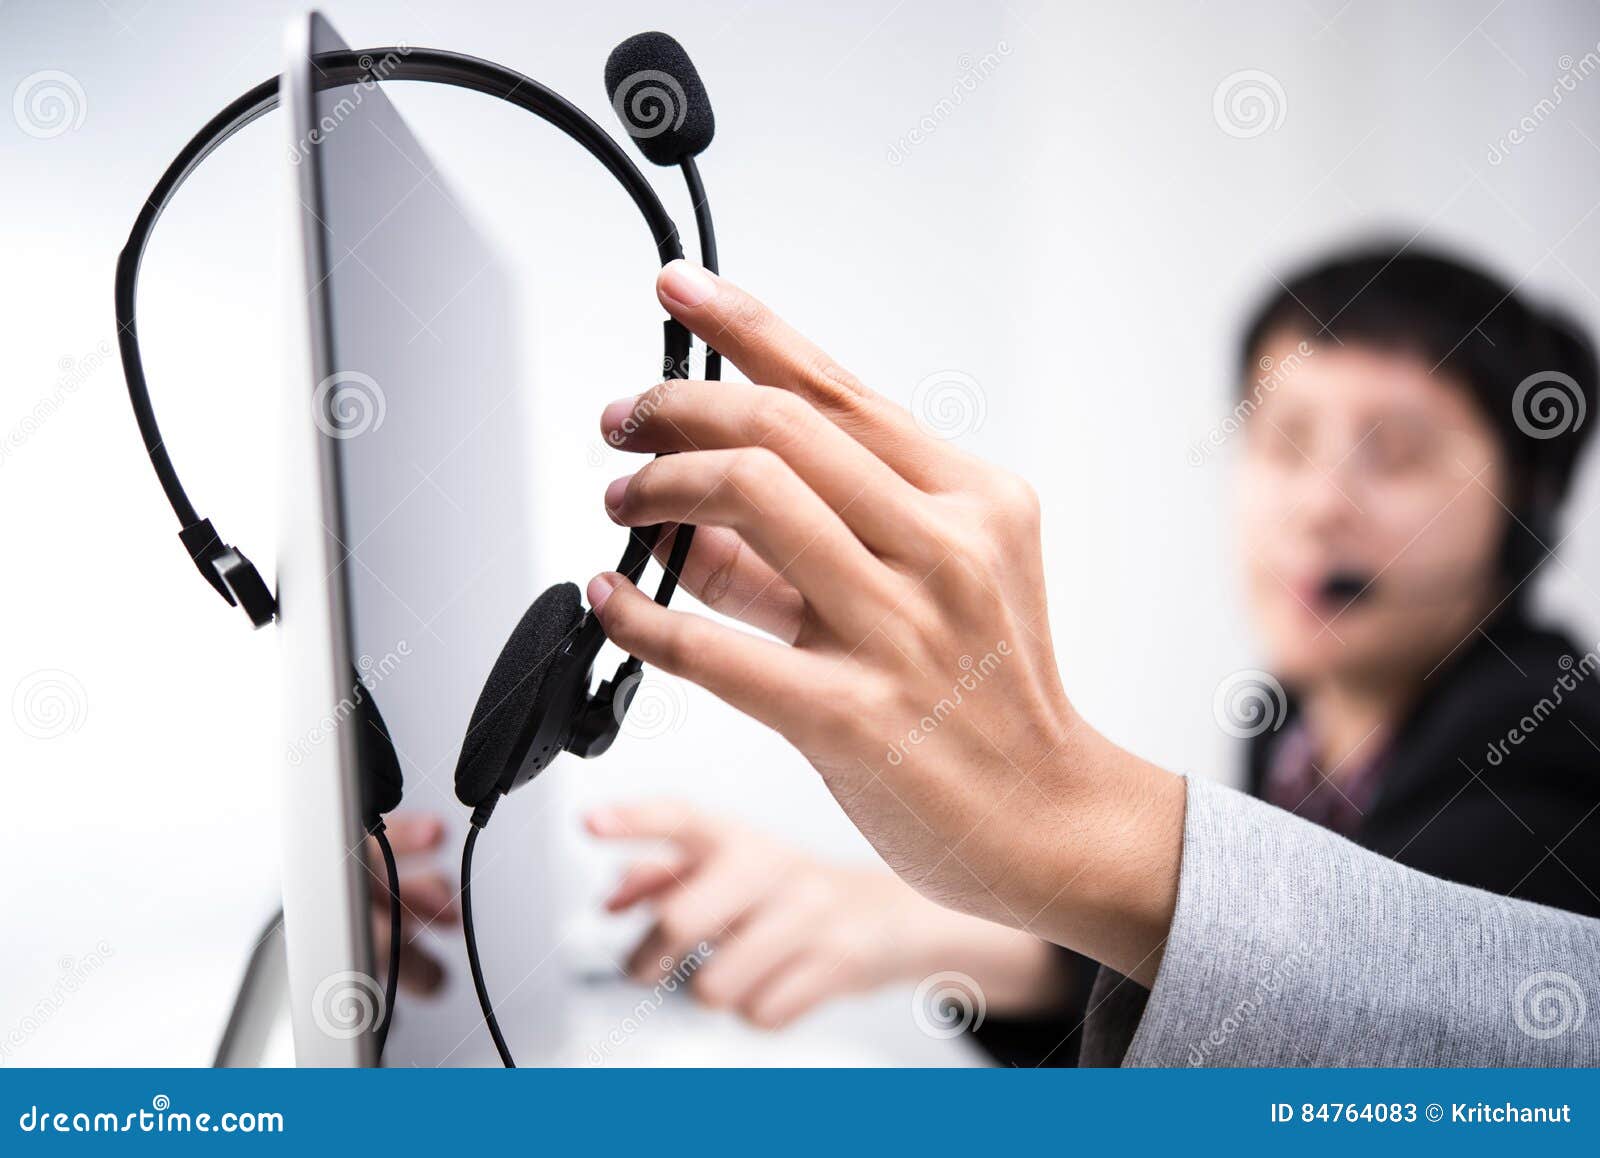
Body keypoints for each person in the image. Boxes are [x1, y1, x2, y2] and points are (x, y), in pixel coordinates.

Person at [575, 252, 1600, 1065]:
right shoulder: (1295, 729)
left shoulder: (1554, 750)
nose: (1319, 502)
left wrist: (1047, 827)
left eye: (1396, 455)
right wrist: (914, 917)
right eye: (1284, 442)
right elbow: (1243, 982)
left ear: (1526, 517)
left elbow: (1394, 1034)